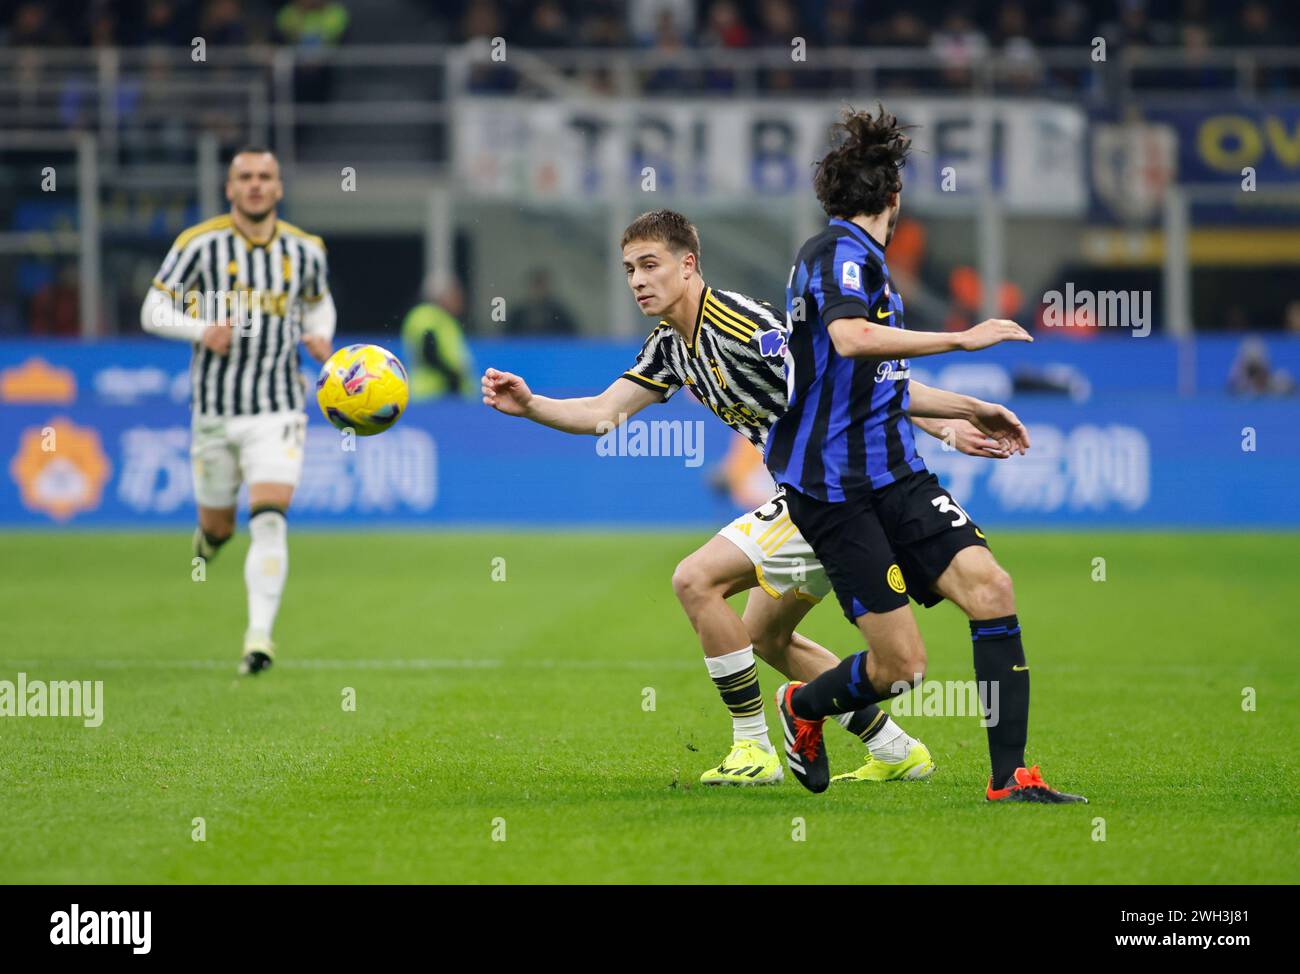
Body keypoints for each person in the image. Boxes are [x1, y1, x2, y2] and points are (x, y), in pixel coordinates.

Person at [484, 209, 1028, 785]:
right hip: (812, 492)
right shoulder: (669, 347)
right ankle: (896, 749)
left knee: (696, 581)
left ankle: (754, 749)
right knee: (767, 636)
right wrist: (533, 405)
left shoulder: (745, 328)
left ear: (688, 265)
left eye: (650, 265)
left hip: (828, 489)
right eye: (629, 270)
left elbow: (851, 381)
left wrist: (950, 420)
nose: (638, 280)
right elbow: (601, 413)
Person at [765, 107, 1086, 803]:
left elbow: (874, 377)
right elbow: (851, 341)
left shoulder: (861, 261)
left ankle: (1011, 778)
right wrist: (962, 340)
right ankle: (802, 709)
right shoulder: (837, 255)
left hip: (896, 472)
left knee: (992, 588)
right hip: (833, 489)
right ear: (894, 199)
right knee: (903, 667)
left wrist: (964, 410)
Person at [141, 147, 335, 676]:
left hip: (279, 406)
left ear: (278, 188)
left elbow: (318, 301)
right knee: (222, 527)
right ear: (230, 189)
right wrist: (201, 329)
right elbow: (153, 308)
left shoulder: (305, 250)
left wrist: (322, 335)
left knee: (270, 519)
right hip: (215, 412)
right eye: (244, 177)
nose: (255, 185)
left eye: (265, 177)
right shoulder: (199, 245)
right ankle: (211, 538)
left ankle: (259, 639)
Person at [401, 275, 474, 400]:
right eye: (455, 294)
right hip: (434, 393)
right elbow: (429, 352)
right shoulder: (427, 316)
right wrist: (453, 378)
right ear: (443, 296)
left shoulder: (444, 318)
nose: (460, 299)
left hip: (444, 394)